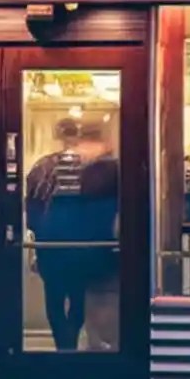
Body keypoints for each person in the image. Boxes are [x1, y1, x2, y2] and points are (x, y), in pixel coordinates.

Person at [25, 118, 119, 350]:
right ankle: (74, 348)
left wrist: (38, 237)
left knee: (55, 299)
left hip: (52, 244)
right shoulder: (108, 167)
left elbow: (33, 205)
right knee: (81, 299)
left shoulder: (45, 166)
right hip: (90, 246)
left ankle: (63, 347)